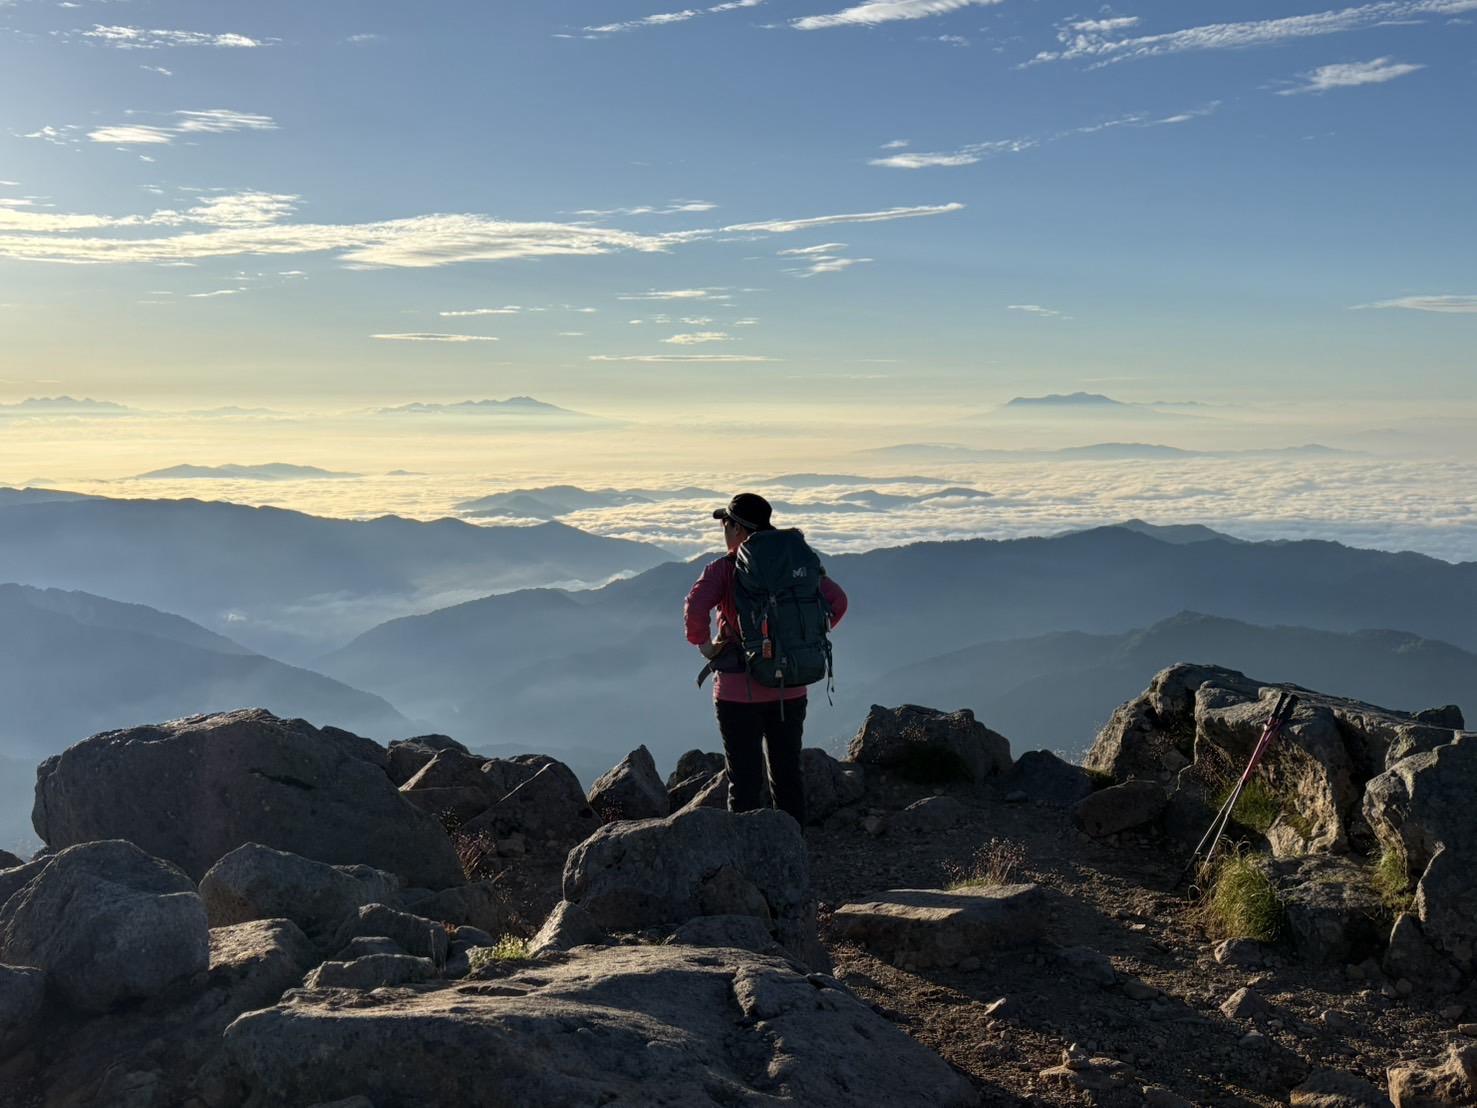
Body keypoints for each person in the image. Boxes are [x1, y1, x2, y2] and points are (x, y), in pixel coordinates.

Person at [683, 493, 848, 825]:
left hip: (736, 692)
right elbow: (837, 600)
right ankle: (793, 853)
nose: (724, 532)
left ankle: (745, 858)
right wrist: (801, 638)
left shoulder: (725, 569)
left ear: (738, 528)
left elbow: (695, 609)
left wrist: (706, 647)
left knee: (743, 780)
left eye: (725, 524)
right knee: (787, 775)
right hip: (790, 686)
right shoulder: (797, 564)